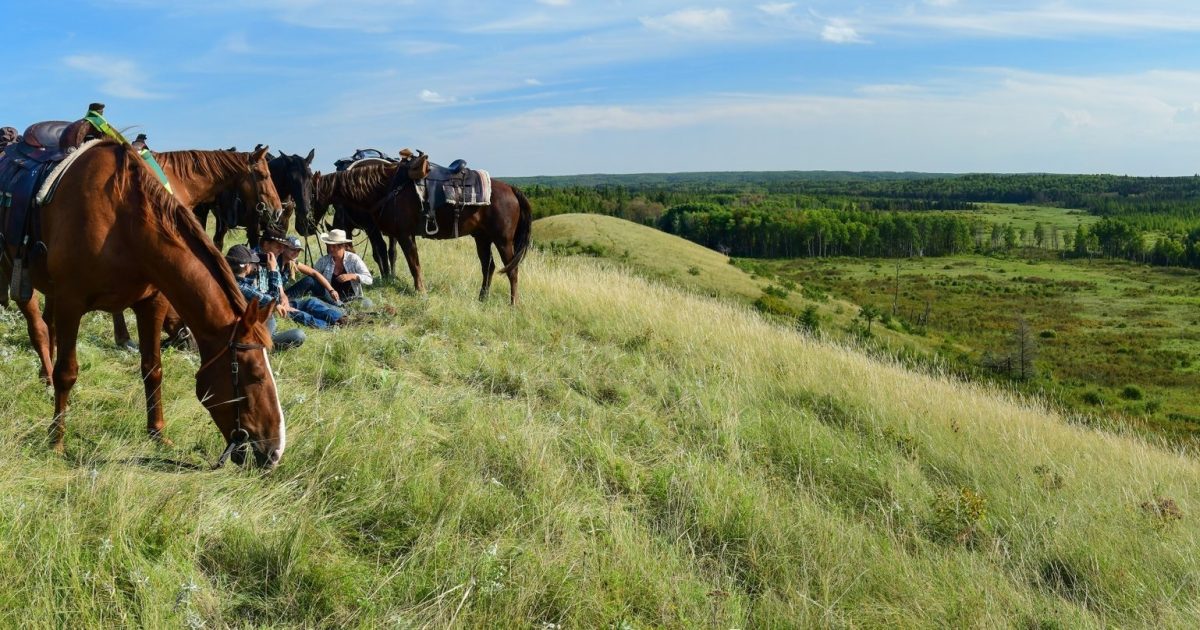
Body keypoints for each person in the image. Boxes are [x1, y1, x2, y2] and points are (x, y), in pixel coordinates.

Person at [257, 231, 346, 328]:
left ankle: (341, 317)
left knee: (311, 299)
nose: (296, 253)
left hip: (279, 297)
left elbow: (314, 273)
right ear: (284, 249)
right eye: (293, 250)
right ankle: (331, 327)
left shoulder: (290, 262)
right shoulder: (269, 260)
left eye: (298, 251)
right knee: (300, 313)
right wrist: (280, 304)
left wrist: (331, 290)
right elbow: (264, 292)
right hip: (270, 302)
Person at [226, 244, 305, 350]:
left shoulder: (227, 281)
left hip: (239, 329)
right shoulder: (242, 287)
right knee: (298, 335)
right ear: (246, 267)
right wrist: (273, 270)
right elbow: (272, 300)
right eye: (252, 263)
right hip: (249, 333)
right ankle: (263, 348)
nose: (254, 265)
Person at [315, 229, 374, 306]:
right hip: (330, 300)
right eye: (329, 246)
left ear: (342, 246)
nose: (330, 249)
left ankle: (344, 307)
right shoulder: (323, 261)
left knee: (368, 303)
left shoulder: (353, 259)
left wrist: (352, 276)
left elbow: (369, 279)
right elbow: (313, 276)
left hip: (352, 299)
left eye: (333, 246)